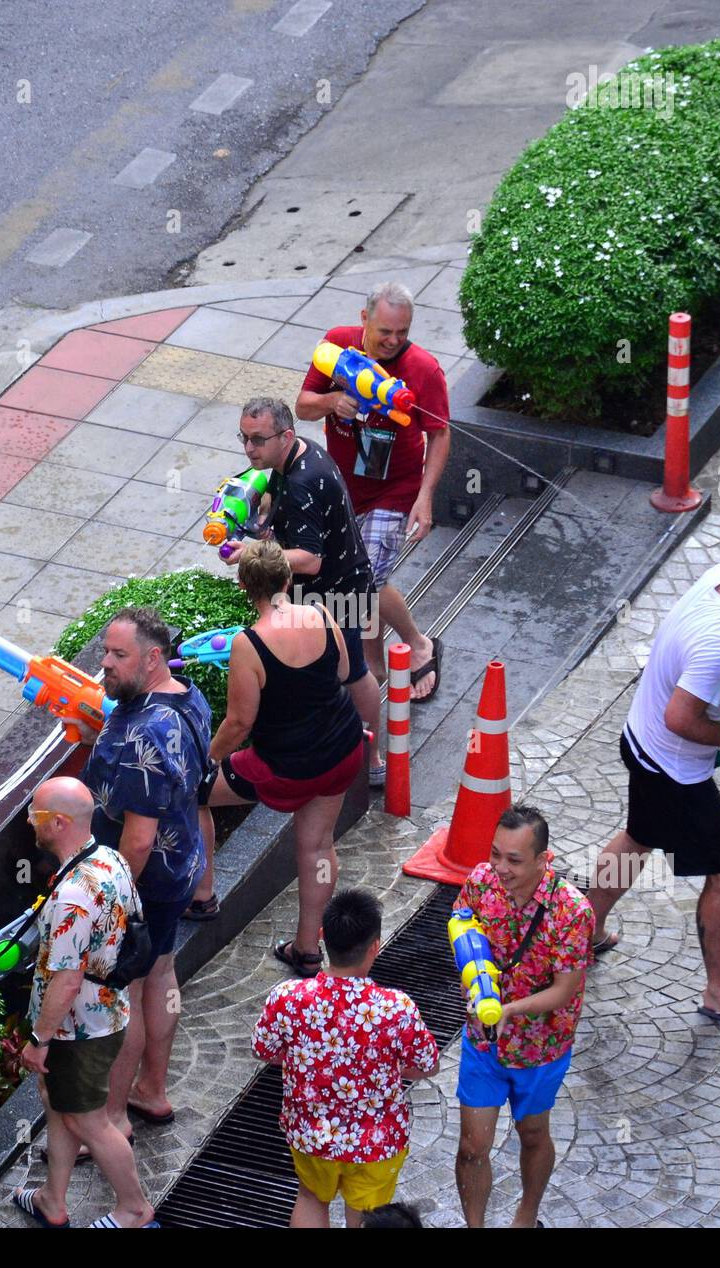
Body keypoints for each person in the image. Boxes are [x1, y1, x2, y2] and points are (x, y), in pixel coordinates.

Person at [585, 558, 720, 1032]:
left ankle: (583, 932)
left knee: (640, 837)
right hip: (673, 769)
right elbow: (681, 719)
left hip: (639, 741)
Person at [193, 539, 366, 976]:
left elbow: (238, 724)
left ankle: (203, 895)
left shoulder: (248, 646)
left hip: (286, 764)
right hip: (342, 749)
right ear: (288, 579)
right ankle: (308, 949)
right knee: (318, 845)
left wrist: (205, 760)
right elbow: (344, 673)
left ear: (243, 587)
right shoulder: (320, 614)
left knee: (193, 795)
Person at [73, 606, 210, 1135]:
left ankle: (110, 1121)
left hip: (141, 882)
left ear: (153, 658)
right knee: (161, 973)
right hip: (178, 870)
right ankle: (152, 1090)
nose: (104, 663)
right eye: (106, 650)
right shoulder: (187, 694)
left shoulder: (145, 734)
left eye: (118, 655)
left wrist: (108, 907)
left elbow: (137, 838)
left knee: (123, 995)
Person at [295, 281, 450, 704]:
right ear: (365, 319)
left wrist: (426, 496)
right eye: (385, 331)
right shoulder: (337, 345)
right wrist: (333, 403)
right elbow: (302, 405)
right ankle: (389, 657)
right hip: (343, 487)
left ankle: (403, 650)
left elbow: (439, 434)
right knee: (360, 584)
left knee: (362, 582)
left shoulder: (424, 369)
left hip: (395, 490)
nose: (393, 341)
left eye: (402, 332)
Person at [13, 776, 154, 1229]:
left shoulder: (74, 892)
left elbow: (68, 980)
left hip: (77, 1028)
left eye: (34, 815)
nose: (29, 822)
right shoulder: (108, 857)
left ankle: (134, 1208)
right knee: (60, 1106)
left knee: (88, 1121)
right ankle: (53, 1200)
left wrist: (39, 1039)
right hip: (108, 1012)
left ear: (57, 823)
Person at [252, 888, 439, 1228]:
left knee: (310, 1197)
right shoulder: (397, 1008)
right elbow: (427, 1065)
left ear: (322, 937)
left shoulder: (288, 997)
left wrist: (304, 1060)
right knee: (368, 1220)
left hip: (309, 1133)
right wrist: (392, 1068)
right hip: (376, 1141)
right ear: (375, 946)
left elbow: (263, 1049)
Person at [225, 396, 386, 786]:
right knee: (352, 672)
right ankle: (367, 751)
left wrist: (252, 551)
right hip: (348, 578)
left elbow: (310, 559)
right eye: (244, 438)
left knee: (354, 674)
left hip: (334, 594)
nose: (250, 449)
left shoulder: (301, 482)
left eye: (258, 440)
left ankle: (373, 757)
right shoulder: (303, 453)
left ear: (286, 435)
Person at [455, 807, 593, 1229]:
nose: (500, 867)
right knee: (472, 1146)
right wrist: (470, 983)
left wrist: (510, 1009)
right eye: (496, 854)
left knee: (532, 1134)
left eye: (514, 860)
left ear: (542, 860)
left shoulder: (573, 912)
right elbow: (462, 928)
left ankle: (526, 1217)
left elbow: (564, 990)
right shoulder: (480, 882)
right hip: (484, 1042)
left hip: (541, 1047)